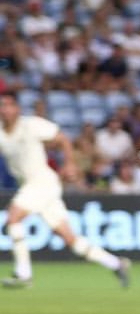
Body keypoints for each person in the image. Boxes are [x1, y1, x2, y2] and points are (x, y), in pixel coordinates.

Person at [0, 92, 131, 289]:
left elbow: (62, 139)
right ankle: (116, 263)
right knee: (70, 239)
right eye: (2, 105)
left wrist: (69, 164)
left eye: (9, 105)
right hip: (30, 186)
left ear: (17, 108)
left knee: (14, 219)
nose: (5, 109)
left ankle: (23, 274)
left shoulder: (31, 125)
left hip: (43, 182)